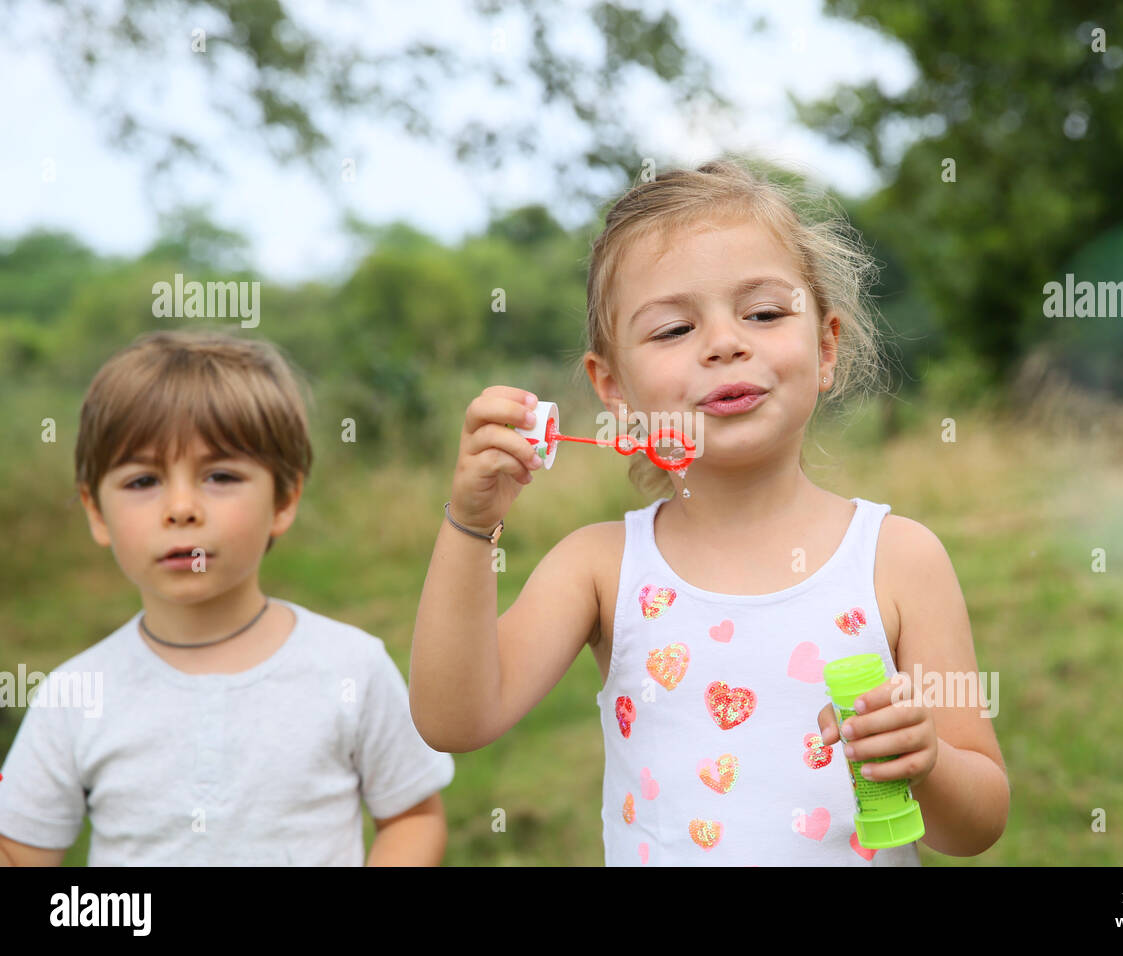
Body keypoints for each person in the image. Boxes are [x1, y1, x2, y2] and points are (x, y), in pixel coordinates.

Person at [411, 156, 1008, 865]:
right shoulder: (600, 567)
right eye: (673, 330)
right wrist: (472, 523)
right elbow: (455, 717)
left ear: (825, 347)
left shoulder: (901, 559)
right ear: (615, 390)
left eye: (762, 313)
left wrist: (928, 765)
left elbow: (978, 825)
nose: (726, 343)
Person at [0, 330, 454, 866]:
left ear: (284, 498)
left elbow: (412, 817)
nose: (182, 508)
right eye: (143, 480)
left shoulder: (352, 667)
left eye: (219, 475)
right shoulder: (73, 696)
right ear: (96, 512)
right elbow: (21, 851)